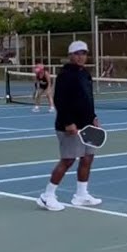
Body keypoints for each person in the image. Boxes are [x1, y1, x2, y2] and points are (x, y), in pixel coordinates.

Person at [37, 41, 102, 211]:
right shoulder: (65, 75)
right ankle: (47, 196)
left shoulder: (85, 74)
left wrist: (93, 117)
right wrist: (68, 123)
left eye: (84, 53)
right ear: (71, 55)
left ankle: (81, 195)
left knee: (88, 158)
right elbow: (60, 100)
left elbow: (88, 98)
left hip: (87, 125)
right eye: (78, 53)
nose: (81, 56)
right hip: (69, 126)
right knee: (68, 160)